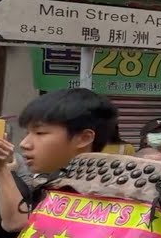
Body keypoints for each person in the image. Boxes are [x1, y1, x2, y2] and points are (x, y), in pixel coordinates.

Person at [13, 88, 119, 221]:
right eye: (27, 133)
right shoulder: (52, 186)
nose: (24, 144)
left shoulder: (112, 197)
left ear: (84, 138)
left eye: (40, 133)